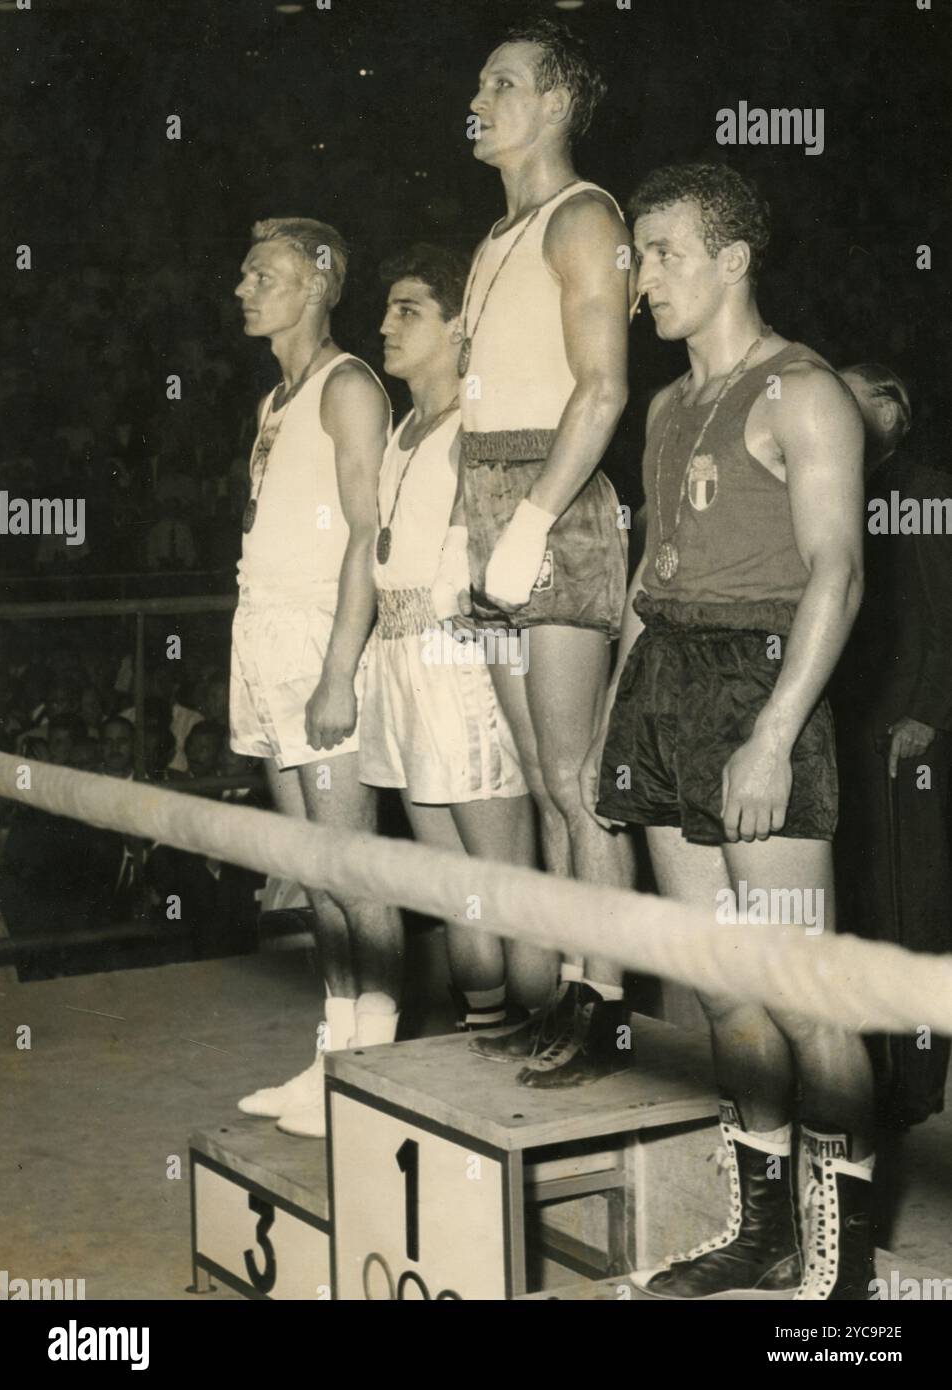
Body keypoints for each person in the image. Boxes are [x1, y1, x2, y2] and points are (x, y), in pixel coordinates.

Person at [583, 163, 874, 1300]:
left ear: (734, 259)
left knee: (807, 994)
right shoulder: (662, 407)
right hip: (665, 685)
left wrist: (771, 735)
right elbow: (652, 579)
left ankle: (840, 1272)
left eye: (664, 254)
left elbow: (839, 576)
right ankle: (761, 1228)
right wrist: (612, 721)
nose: (641, 277)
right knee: (722, 985)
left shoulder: (803, 391)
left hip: (762, 688)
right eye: (638, 255)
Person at [446, 17, 635, 1086]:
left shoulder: (584, 215)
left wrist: (528, 522)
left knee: (577, 782)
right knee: (539, 777)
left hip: (553, 504)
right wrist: (467, 525)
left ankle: (608, 1007)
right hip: (489, 494)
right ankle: (570, 987)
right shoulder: (491, 241)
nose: (479, 95)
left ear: (557, 104)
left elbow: (602, 386)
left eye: (503, 81)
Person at [230, 216, 401, 1138]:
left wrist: (338, 671)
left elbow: (370, 536)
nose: (244, 288)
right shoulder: (276, 400)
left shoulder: (348, 389)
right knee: (310, 870)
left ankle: (373, 1068)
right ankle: (336, 1053)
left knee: (353, 868)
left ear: (321, 281)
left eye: (266, 274)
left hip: (320, 641)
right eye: (246, 274)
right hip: (262, 631)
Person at [361, 243, 555, 1033]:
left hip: (462, 658)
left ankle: (550, 1036)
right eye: (386, 309)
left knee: (504, 877)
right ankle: (485, 1031)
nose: (384, 326)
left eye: (408, 311)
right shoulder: (404, 427)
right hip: (397, 658)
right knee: (449, 883)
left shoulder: (482, 420)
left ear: (460, 328)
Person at [835, 364, 952, 1128]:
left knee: (913, 906)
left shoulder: (926, 492)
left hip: (907, 734)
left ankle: (916, 1088)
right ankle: (870, 1071)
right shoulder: (841, 484)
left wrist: (928, 715)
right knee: (862, 905)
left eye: (848, 395)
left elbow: (948, 614)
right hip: (848, 727)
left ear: (891, 408)